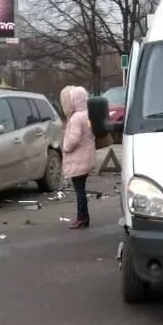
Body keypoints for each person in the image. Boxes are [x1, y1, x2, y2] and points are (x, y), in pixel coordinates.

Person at [60, 85, 96, 229]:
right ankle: (84, 217)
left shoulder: (75, 118)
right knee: (81, 188)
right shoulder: (88, 114)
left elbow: (74, 139)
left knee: (79, 190)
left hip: (78, 159)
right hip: (87, 157)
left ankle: (81, 217)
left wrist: (66, 147)